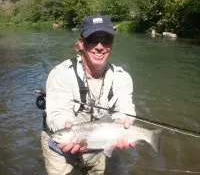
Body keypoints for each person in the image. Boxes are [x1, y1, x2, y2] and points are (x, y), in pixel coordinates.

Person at [41, 14, 136, 175]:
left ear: (112, 44)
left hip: (98, 145)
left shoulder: (122, 77)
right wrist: (66, 127)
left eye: (106, 40)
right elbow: (58, 113)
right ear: (82, 42)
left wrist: (125, 120)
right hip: (61, 149)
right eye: (93, 39)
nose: (100, 46)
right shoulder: (61, 74)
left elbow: (125, 108)